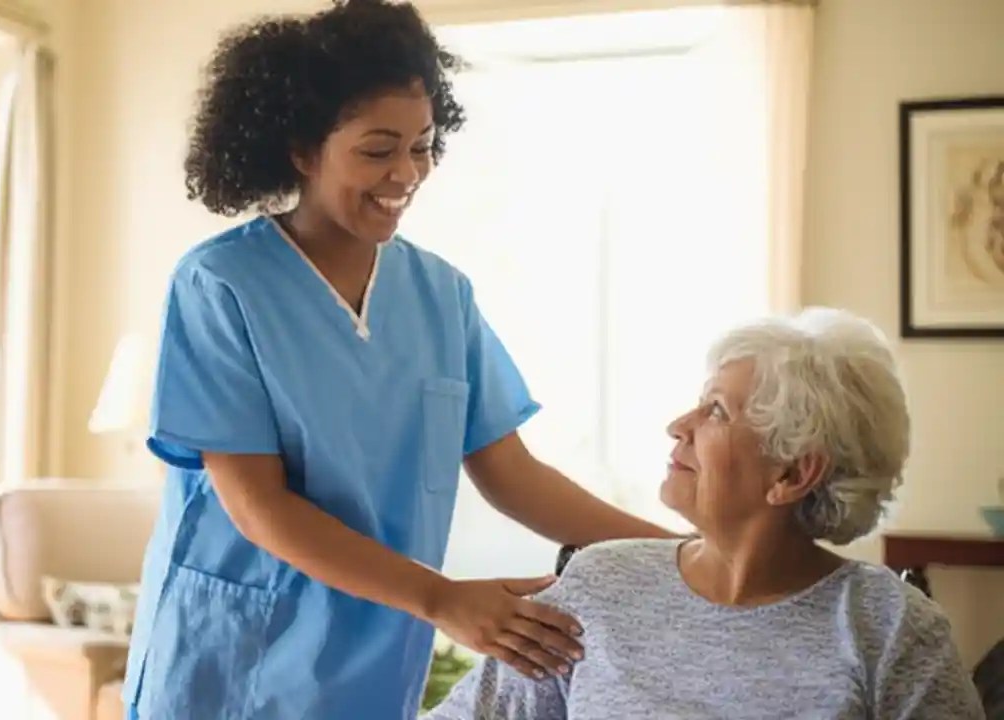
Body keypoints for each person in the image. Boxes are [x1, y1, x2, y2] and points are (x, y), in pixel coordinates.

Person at [119, 1, 675, 718]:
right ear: (301, 148)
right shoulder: (220, 287)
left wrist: (687, 555)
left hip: (375, 655)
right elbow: (257, 507)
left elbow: (513, 475)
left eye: (423, 145)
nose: (406, 172)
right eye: (378, 149)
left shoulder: (440, 295)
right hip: (234, 659)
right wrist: (440, 598)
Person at [426, 308, 988, 719]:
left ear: (793, 474)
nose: (679, 424)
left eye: (716, 410)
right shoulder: (600, 586)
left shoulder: (891, 629)